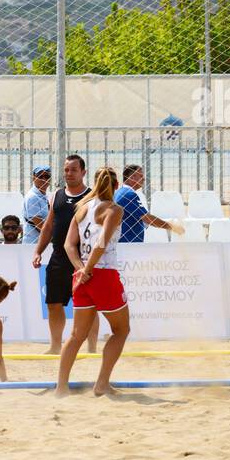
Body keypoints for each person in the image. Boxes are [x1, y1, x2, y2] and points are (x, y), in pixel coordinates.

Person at [56, 166, 130, 397]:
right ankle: (101, 384)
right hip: (103, 274)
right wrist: (87, 270)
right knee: (121, 330)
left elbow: (68, 245)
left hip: (82, 276)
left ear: (94, 184)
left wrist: (80, 271)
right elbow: (101, 244)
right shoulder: (114, 209)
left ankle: (61, 388)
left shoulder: (82, 207)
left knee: (76, 335)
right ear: (116, 186)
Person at [32, 155, 100, 356]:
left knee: (89, 306)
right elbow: (48, 226)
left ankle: (92, 348)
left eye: (73, 170)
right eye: (66, 170)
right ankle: (55, 346)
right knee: (53, 303)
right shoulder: (56, 195)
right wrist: (38, 251)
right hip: (59, 257)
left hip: (84, 258)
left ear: (83, 172)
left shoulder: (92, 197)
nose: (69, 174)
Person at [115, 164, 179, 243]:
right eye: (141, 176)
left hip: (124, 242)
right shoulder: (129, 194)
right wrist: (171, 226)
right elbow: (148, 219)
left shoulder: (120, 192)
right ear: (132, 177)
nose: (144, 179)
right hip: (128, 244)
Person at [21, 165, 51, 242]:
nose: (44, 179)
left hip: (40, 242)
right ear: (33, 178)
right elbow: (40, 225)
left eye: (47, 176)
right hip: (33, 244)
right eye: (40, 176)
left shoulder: (42, 196)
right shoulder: (32, 197)